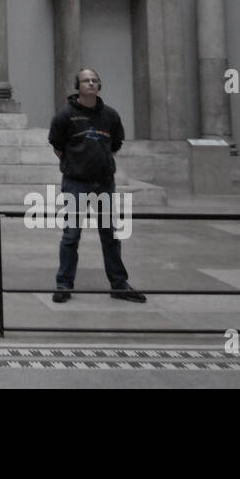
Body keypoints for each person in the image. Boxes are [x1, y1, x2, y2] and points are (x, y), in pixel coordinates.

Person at [47, 68, 147, 303]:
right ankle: (64, 284)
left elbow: (115, 143)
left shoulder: (110, 115)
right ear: (78, 86)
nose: (91, 84)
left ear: (99, 85)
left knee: (110, 235)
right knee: (71, 235)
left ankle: (119, 285)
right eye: (86, 81)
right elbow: (57, 145)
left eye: (94, 80)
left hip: (104, 183)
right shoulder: (64, 116)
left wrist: (99, 161)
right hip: (76, 182)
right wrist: (75, 164)